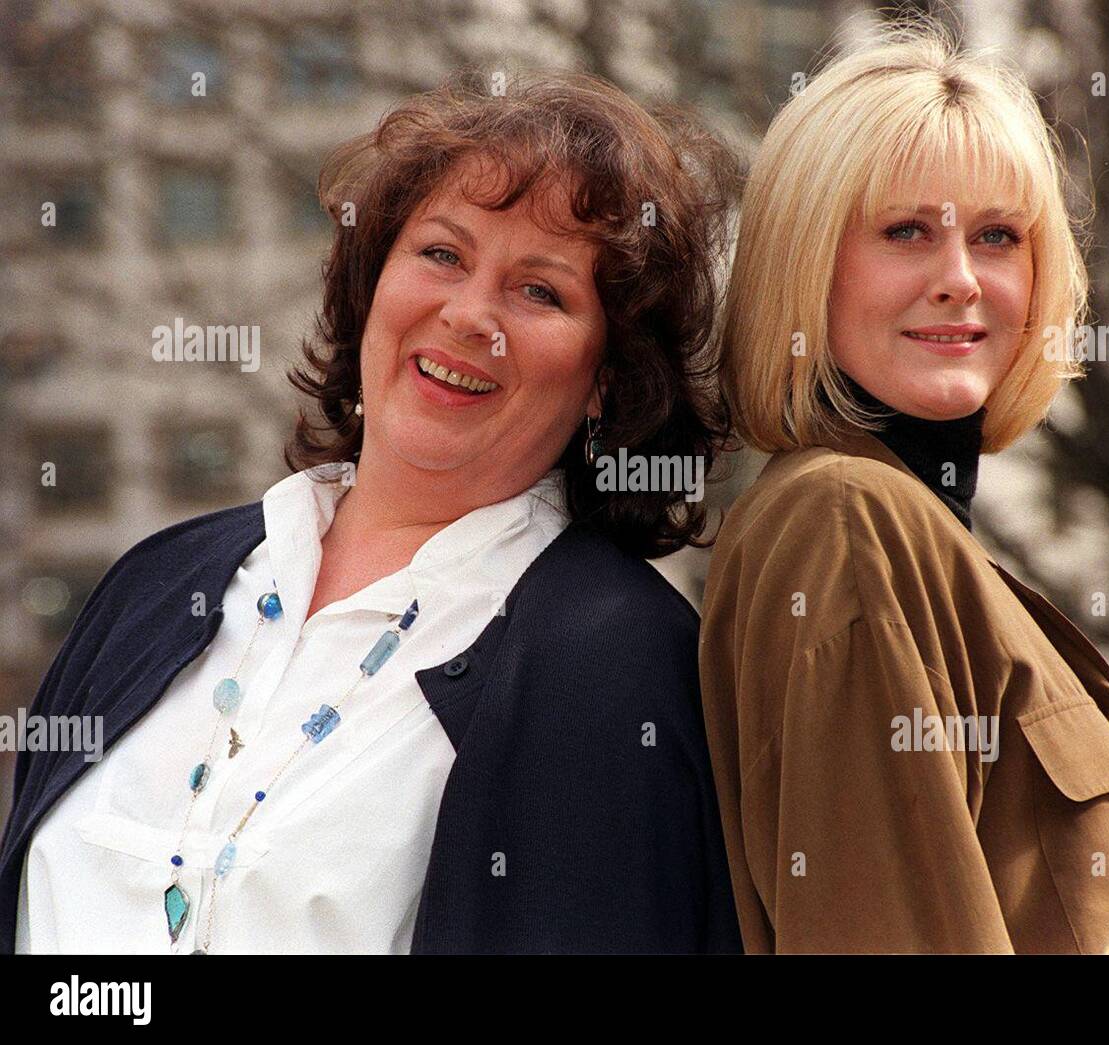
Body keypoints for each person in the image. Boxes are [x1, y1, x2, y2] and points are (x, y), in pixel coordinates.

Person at [1, 70, 743, 954]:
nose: (470, 315)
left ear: (609, 380)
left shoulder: (616, 661)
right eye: (441, 254)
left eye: (540, 292)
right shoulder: (158, 584)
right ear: (372, 282)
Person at [698, 23, 1109, 954]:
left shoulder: (911, 528)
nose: (960, 280)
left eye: (998, 237)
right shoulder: (847, 521)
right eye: (906, 232)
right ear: (804, 261)